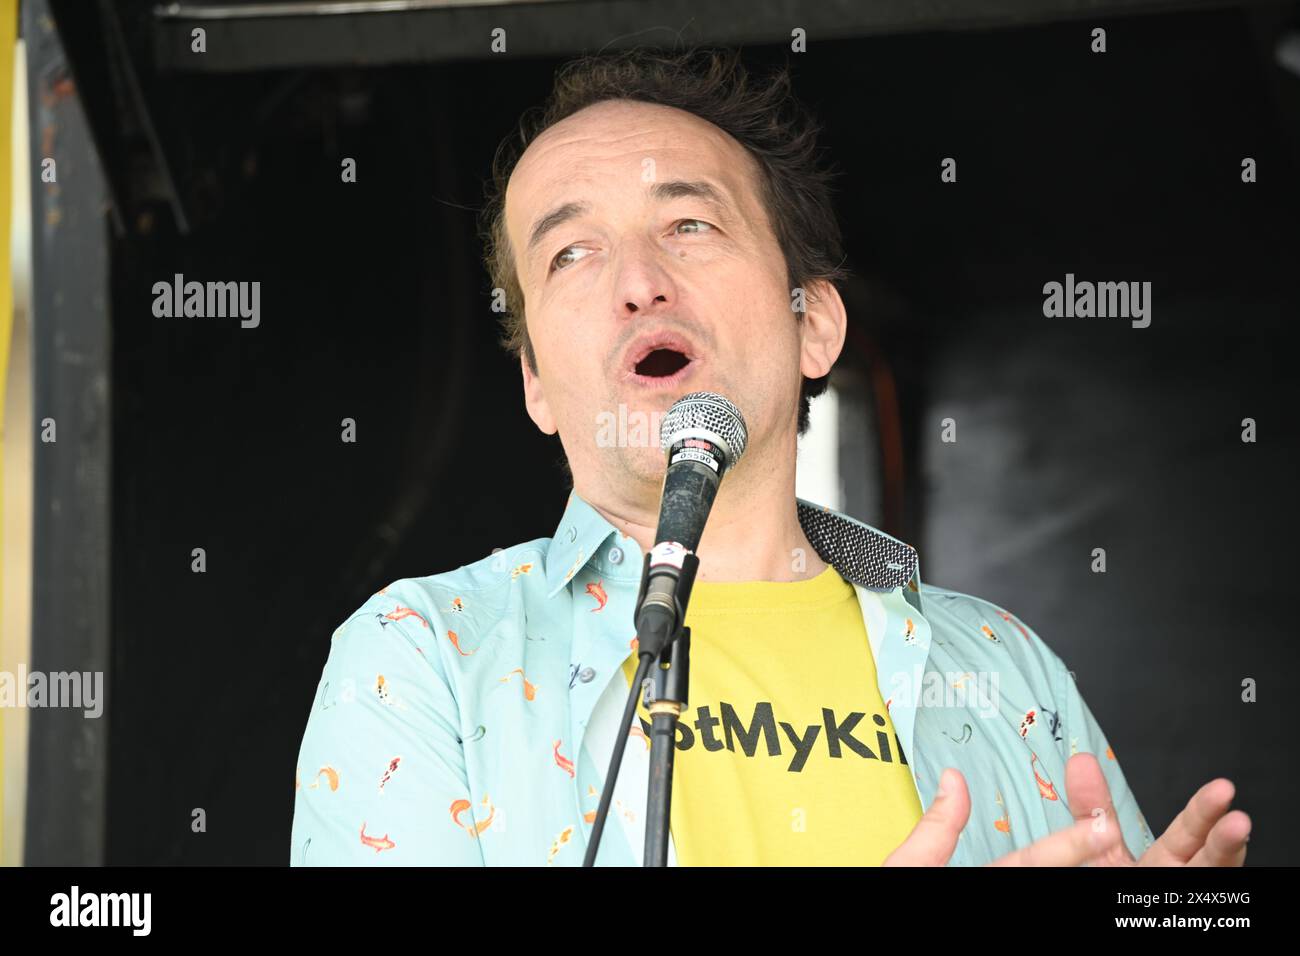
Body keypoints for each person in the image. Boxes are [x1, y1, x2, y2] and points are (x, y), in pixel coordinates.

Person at [290, 47, 1250, 866]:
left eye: (689, 224)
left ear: (816, 327)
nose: (637, 282)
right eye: (570, 253)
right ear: (536, 383)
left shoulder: (1007, 665)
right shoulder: (421, 660)